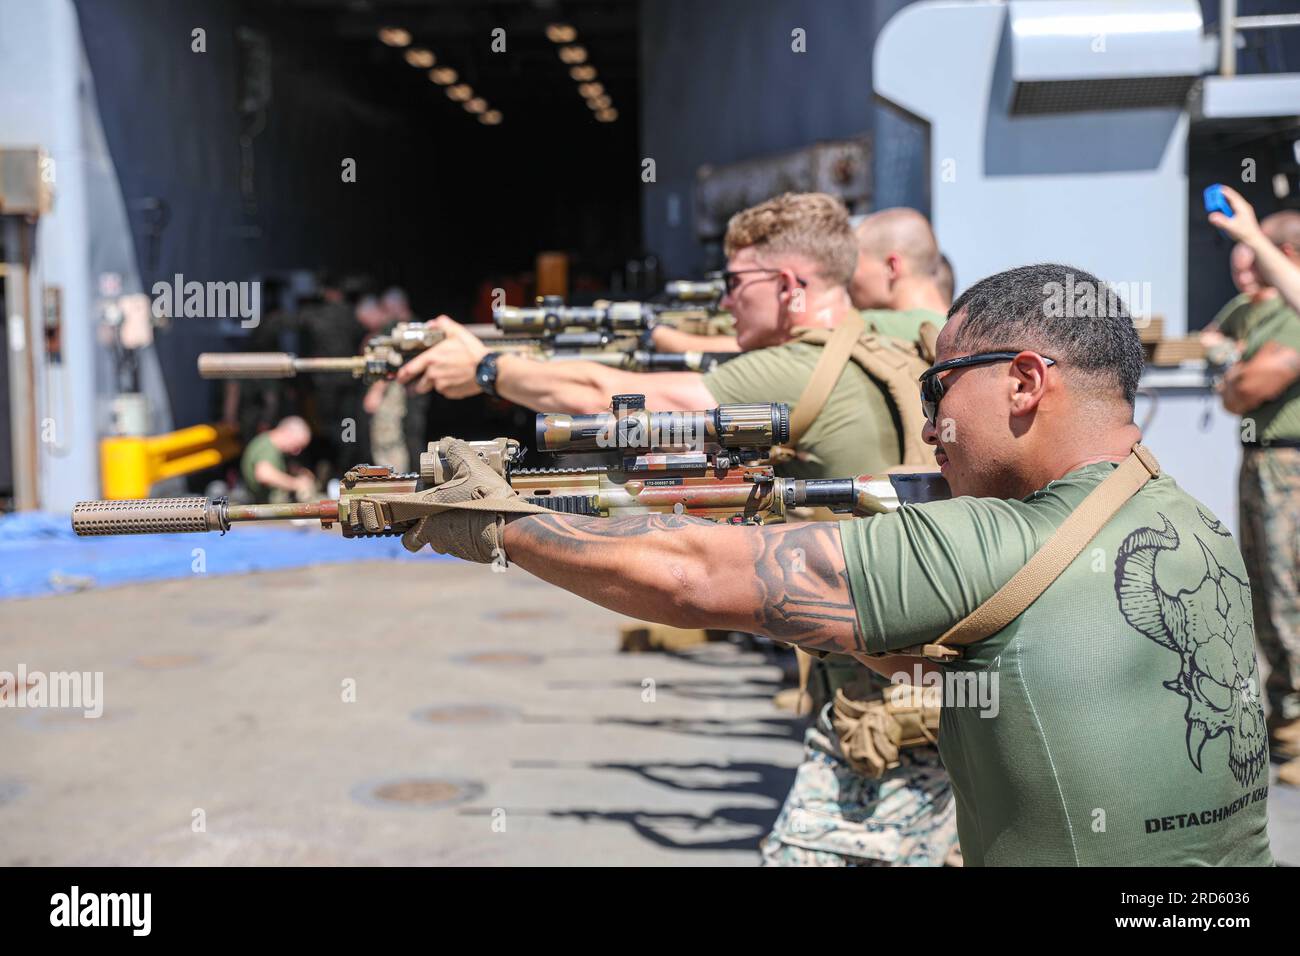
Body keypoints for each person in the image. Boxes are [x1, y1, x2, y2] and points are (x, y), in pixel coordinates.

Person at [358, 262, 1275, 866]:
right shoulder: (1193, 528)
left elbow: (692, 576)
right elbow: (1068, 685)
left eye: (939, 386)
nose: (928, 421)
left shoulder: (995, 543)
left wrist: (493, 524)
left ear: (1027, 381)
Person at [397, 193, 957, 867]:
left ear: (787, 287)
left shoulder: (802, 366)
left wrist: (489, 370)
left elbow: (630, 403)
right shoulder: (889, 340)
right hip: (923, 682)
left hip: (887, 705)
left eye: (735, 284)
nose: (726, 303)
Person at [1204, 187, 1300, 788]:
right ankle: (1287, 725)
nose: (1243, 267)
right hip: (1261, 461)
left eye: (1257, 256)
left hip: (1288, 465)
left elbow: (1251, 385)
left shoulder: (1286, 312)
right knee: (1267, 597)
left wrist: (1237, 368)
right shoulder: (1251, 310)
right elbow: (1230, 369)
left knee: (1289, 598)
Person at [240, 416, 314, 504]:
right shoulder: (267, 446)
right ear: (287, 433)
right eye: (297, 445)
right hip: (261, 505)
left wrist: (299, 472)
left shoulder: (273, 447)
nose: (297, 451)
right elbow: (264, 474)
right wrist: (296, 484)